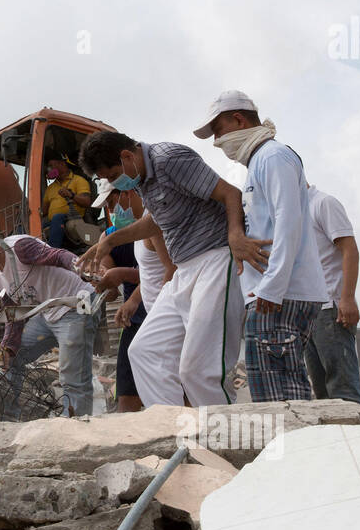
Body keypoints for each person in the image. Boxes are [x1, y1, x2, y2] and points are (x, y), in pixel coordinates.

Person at [78, 130, 267, 407]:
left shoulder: (170, 159)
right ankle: (175, 429)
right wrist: (110, 241)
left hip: (213, 260)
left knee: (199, 369)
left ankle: (218, 438)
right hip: (185, 269)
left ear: (127, 156)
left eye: (111, 176)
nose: (113, 184)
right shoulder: (143, 178)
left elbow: (229, 192)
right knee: (144, 351)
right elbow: (157, 220)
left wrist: (235, 235)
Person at [194, 90, 326, 403]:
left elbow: (288, 221)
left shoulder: (273, 157)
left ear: (238, 120)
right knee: (275, 394)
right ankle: (294, 449)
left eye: (219, 130)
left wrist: (272, 287)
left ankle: (297, 450)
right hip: (273, 294)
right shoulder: (259, 163)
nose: (217, 141)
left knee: (280, 399)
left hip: (279, 295)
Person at [0, 217, 101, 417]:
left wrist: (80, 266)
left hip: (74, 305)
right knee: (11, 359)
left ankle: (75, 427)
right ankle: (9, 418)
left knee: (72, 377)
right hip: (47, 313)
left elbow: (58, 255)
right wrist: (8, 346)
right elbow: (13, 315)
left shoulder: (20, 248)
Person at [89, 179, 169, 412]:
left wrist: (123, 277)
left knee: (169, 381)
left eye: (113, 202)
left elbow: (168, 272)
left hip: (159, 309)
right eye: (108, 206)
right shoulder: (108, 237)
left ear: (127, 193)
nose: (112, 211)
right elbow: (112, 291)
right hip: (134, 316)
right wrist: (103, 281)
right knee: (127, 387)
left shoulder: (153, 225)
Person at [304, 184, 360, 404]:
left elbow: (350, 249)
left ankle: (356, 435)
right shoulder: (296, 211)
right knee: (323, 393)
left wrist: (346, 298)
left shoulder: (323, 203)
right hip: (308, 311)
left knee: (343, 389)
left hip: (331, 310)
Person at [42, 153, 93, 247]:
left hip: (72, 218)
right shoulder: (50, 188)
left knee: (57, 217)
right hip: (53, 222)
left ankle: (52, 251)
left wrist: (71, 195)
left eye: (51, 166)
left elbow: (86, 201)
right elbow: (43, 211)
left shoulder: (79, 180)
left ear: (62, 164)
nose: (49, 169)